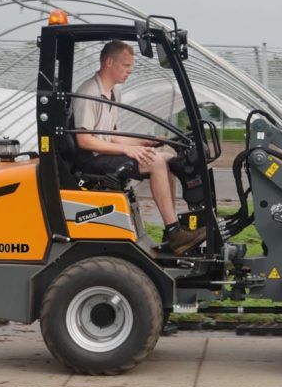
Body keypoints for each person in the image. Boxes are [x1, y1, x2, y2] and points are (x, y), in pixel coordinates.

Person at [72, 40, 205, 254]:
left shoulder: (113, 92)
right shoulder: (89, 93)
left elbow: (111, 135)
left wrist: (144, 142)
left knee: (165, 157)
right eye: (125, 65)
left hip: (103, 152)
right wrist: (127, 150)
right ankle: (174, 232)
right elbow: (85, 140)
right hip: (91, 159)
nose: (130, 71)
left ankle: (171, 231)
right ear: (108, 62)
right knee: (156, 162)